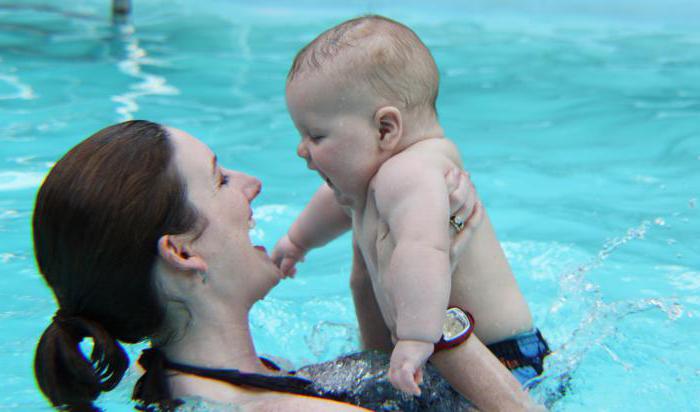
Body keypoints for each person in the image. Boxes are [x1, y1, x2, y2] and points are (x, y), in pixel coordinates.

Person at [31, 120, 488, 411]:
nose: (251, 184)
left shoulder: (158, 381)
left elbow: (378, 374)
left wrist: (373, 271)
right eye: (220, 178)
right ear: (182, 253)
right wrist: (443, 324)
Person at [272, 15, 550, 410]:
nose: (302, 150)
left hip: (499, 360)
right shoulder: (376, 175)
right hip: (451, 355)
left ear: (386, 128)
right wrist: (297, 241)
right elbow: (337, 201)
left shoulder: (411, 172)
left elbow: (423, 249)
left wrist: (417, 337)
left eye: (316, 136)